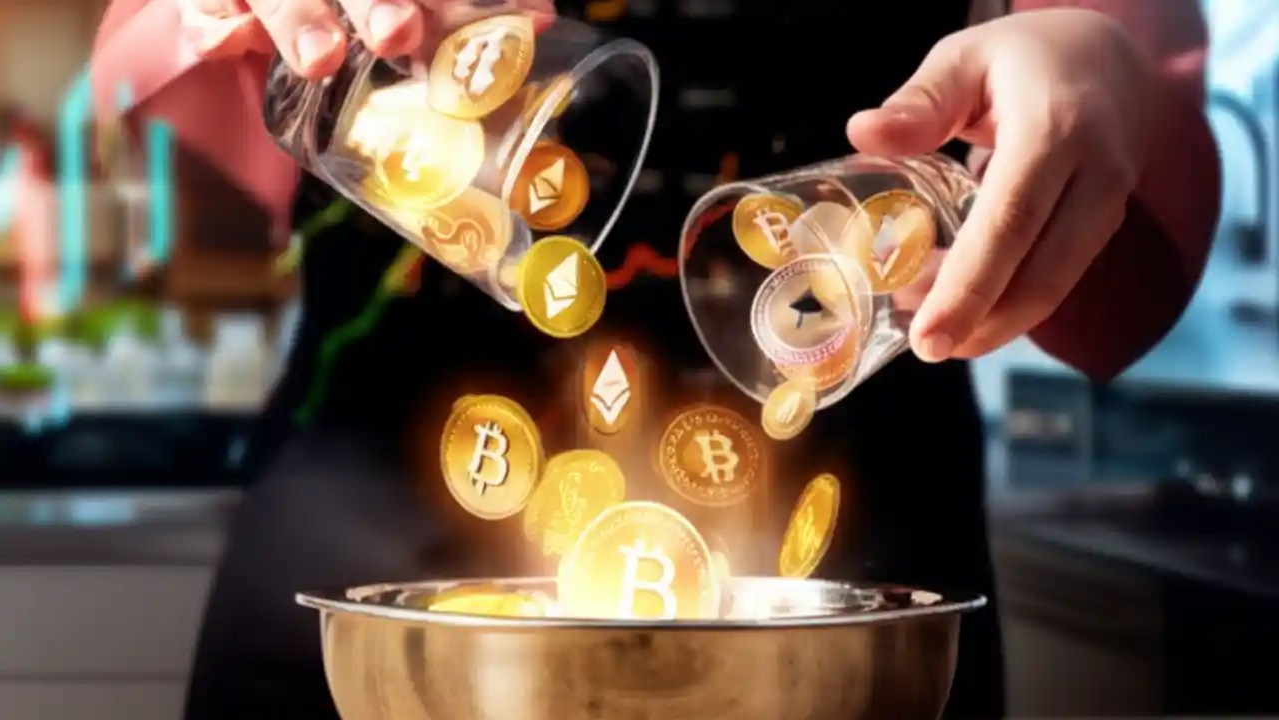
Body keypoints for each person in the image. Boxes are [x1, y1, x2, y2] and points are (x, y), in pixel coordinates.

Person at [90, 0, 1220, 717]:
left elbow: (1119, 307)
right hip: (363, 598)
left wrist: (1105, 77)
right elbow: (187, 211)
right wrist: (204, 22)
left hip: (835, 611)